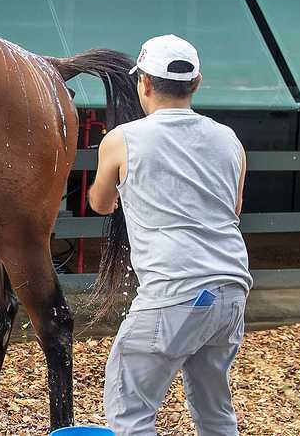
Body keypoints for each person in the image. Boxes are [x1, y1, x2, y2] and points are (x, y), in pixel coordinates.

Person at [88, 34, 251, 436]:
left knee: (130, 408)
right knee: (214, 409)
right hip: (230, 291)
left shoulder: (123, 140)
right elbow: (233, 210)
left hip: (175, 291)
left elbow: (100, 202)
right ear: (196, 83)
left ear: (143, 83)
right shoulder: (230, 140)